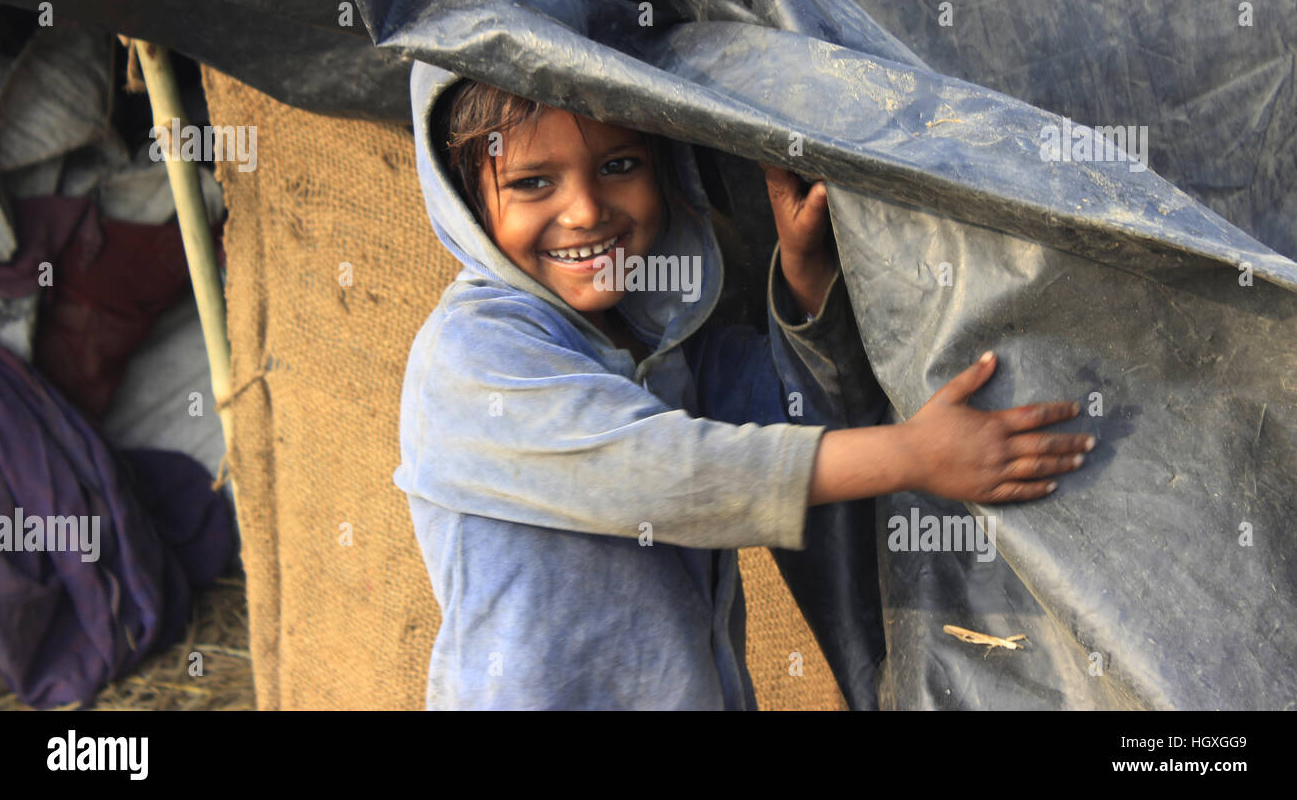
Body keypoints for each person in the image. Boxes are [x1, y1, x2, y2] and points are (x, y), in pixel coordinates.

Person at [394, 62, 1096, 709]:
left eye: (619, 166)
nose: (583, 211)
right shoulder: (473, 356)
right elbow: (670, 475)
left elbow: (798, 412)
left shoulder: (658, 336)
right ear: (465, 198)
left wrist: (802, 268)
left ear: (667, 175)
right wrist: (913, 456)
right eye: (531, 183)